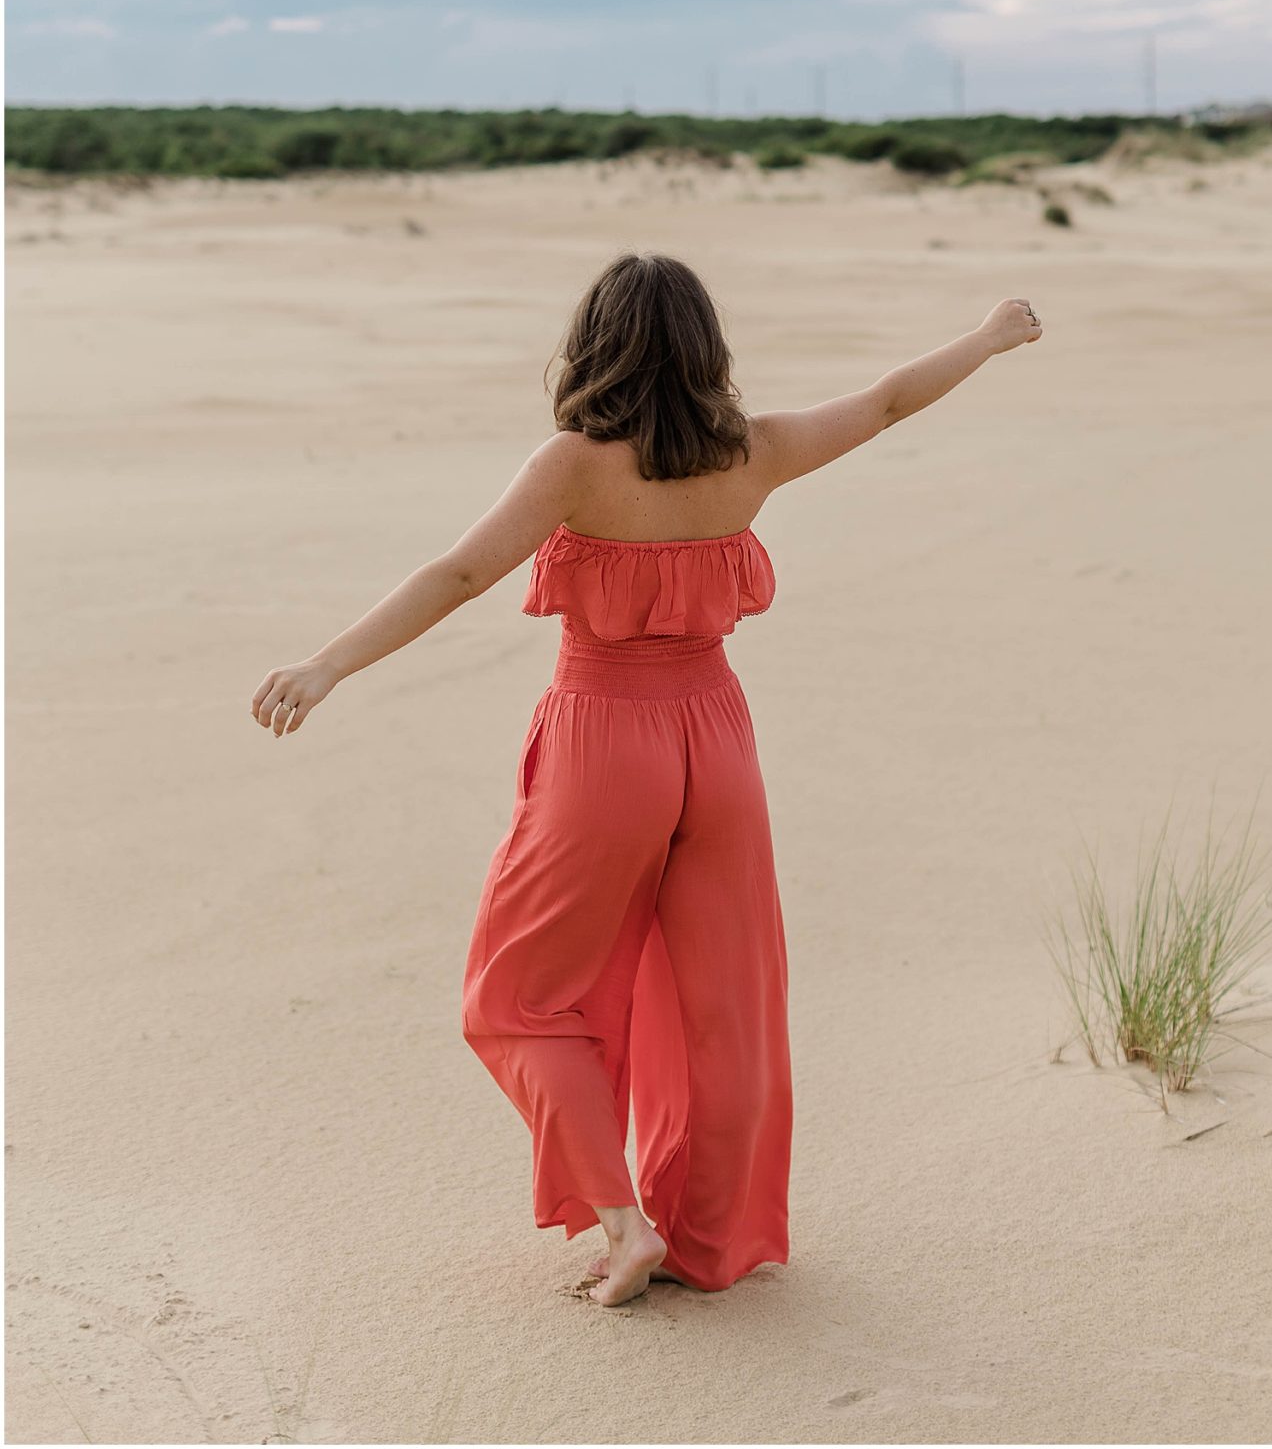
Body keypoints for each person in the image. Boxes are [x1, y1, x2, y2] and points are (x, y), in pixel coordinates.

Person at [250, 253, 1043, 1306]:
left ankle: (626, 1225)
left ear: (597, 344)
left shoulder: (574, 464)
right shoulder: (754, 450)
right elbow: (891, 399)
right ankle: (709, 1239)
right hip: (717, 741)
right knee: (727, 1004)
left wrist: (328, 661)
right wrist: (988, 335)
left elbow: (457, 572)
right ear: (706, 347)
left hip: (603, 742)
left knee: (516, 1000)